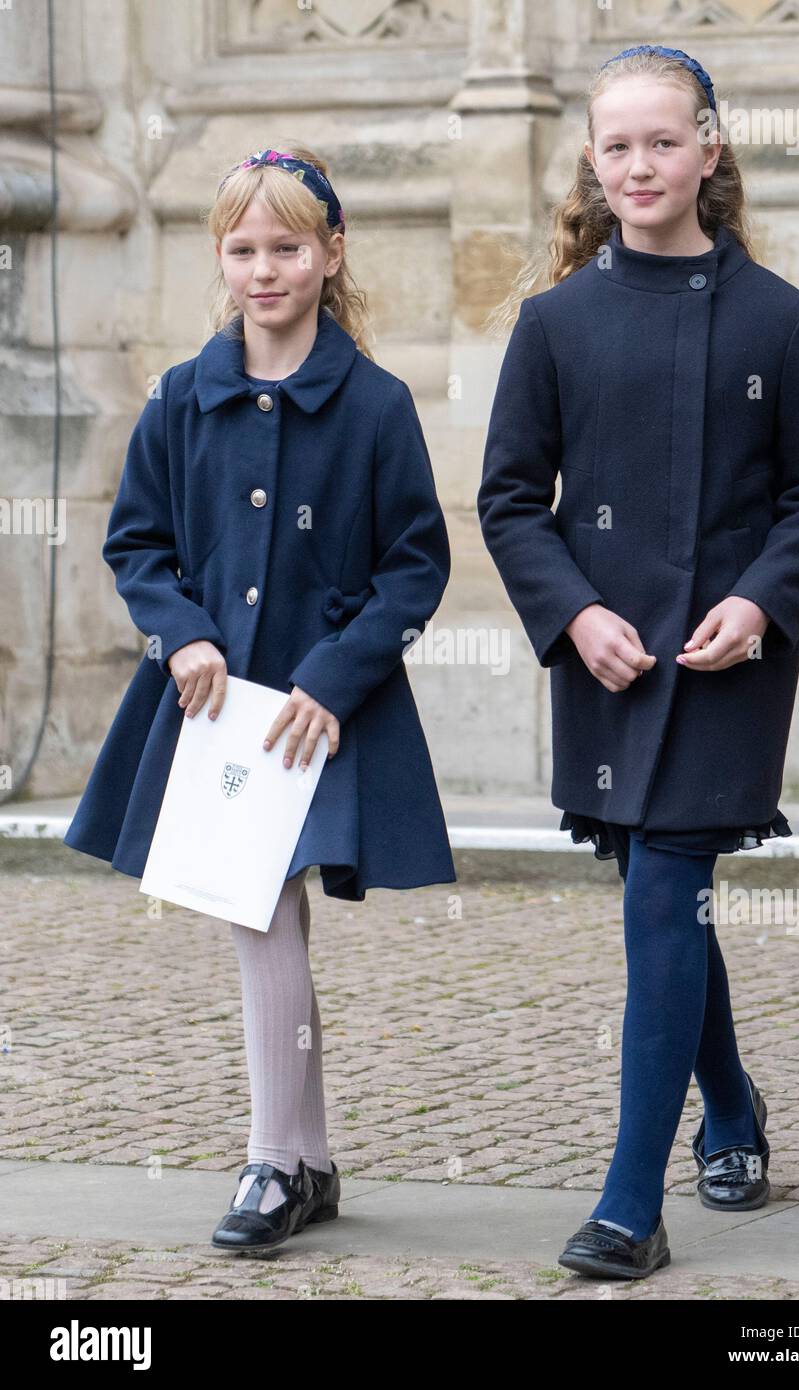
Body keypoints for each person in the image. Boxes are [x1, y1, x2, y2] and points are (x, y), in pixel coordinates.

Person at [477, 46, 799, 1281]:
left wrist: (759, 603)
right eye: (617, 145)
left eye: (662, 141)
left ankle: (631, 1204)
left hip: (727, 664)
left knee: (662, 900)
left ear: (708, 147)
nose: (639, 165)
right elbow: (509, 502)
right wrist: (573, 617)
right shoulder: (553, 323)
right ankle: (733, 1110)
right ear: (593, 160)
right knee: (663, 902)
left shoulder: (780, 320)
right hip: (607, 660)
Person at [64, 144, 456, 1252]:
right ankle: (303, 1157)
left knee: (264, 911)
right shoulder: (180, 397)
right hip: (210, 711)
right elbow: (135, 539)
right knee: (258, 910)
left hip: (319, 714)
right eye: (243, 249)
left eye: (288, 247)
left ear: (332, 255)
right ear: (220, 261)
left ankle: (278, 1162)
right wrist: (179, 633)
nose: (264, 268)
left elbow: (414, 567)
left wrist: (334, 677)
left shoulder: (375, 404)